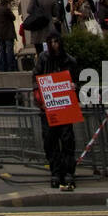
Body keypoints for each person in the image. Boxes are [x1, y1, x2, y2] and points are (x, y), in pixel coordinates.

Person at [32, 19, 79, 190]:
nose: (54, 45)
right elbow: (35, 79)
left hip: (65, 108)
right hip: (48, 108)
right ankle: (55, 172)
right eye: (51, 42)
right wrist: (39, 98)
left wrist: (74, 86)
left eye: (56, 41)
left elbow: (77, 81)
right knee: (50, 142)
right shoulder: (43, 59)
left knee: (67, 141)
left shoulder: (69, 60)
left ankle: (69, 173)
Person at [0, 0, 17, 72]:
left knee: (2, 51)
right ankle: (11, 67)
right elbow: (14, 18)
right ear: (6, 3)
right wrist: (9, 9)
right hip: (8, 34)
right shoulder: (6, 9)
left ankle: (4, 67)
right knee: (9, 51)